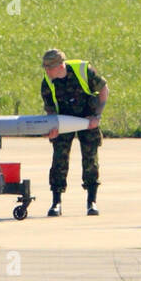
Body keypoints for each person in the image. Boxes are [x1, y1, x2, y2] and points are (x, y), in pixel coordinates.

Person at [40, 49, 108, 217]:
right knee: (59, 160)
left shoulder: (83, 70)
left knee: (90, 160)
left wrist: (97, 116)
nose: (47, 71)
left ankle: (91, 201)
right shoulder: (47, 82)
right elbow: (50, 110)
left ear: (60, 65)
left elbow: (104, 90)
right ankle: (56, 202)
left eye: (50, 68)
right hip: (63, 121)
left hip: (87, 119)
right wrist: (51, 129)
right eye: (46, 68)